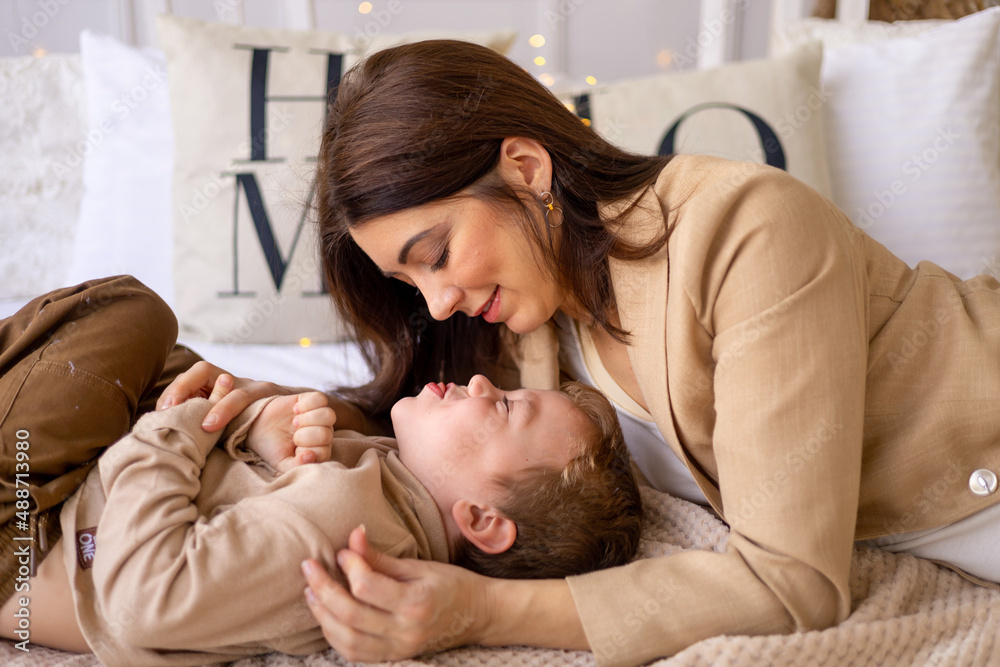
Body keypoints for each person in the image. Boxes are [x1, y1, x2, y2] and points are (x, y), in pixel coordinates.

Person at [157, 39, 1000, 667]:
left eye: (437, 252)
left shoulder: (746, 232)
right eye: (410, 283)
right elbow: (425, 427)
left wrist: (480, 610)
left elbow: (795, 583)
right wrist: (264, 405)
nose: (438, 301)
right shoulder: (534, 305)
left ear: (525, 167)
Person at [0, 278, 641, 664]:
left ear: (480, 519)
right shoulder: (396, 483)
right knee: (179, 361)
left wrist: (188, 423)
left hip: (30, 540)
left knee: (128, 314)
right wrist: (257, 424)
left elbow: (145, 602)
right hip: (80, 497)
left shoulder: (348, 527)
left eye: (503, 406)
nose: (479, 382)